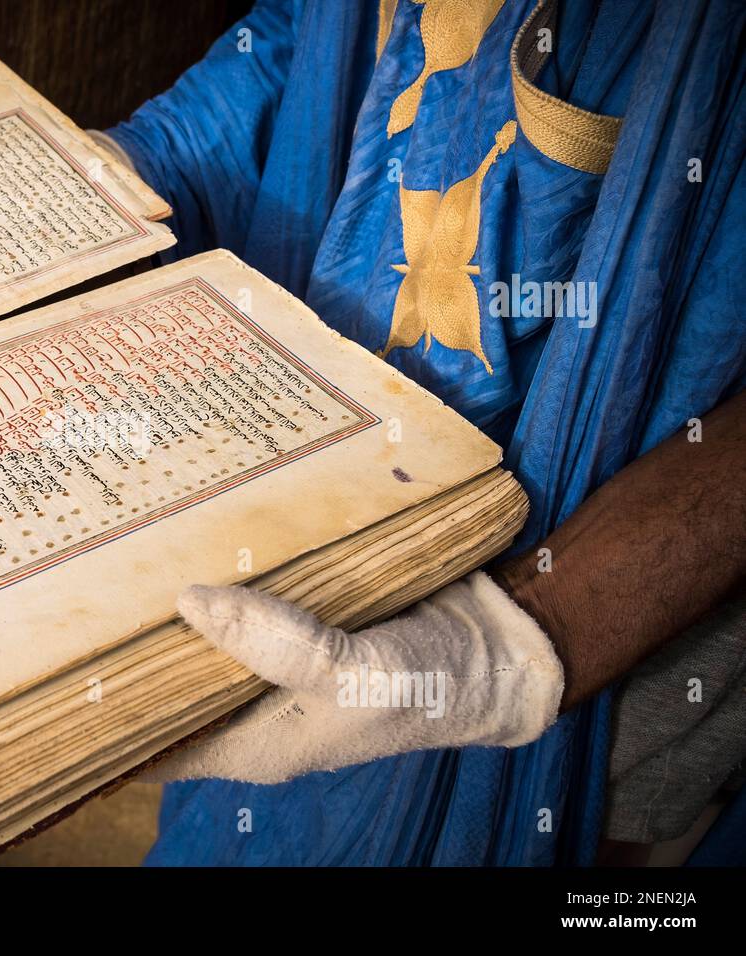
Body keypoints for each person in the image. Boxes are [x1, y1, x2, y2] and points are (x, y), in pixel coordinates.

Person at [91, 0, 746, 865]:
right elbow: (313, 34)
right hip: (302, 505)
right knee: (259, 778)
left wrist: (512, 652)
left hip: (625, 607)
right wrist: (125, 169)